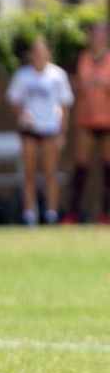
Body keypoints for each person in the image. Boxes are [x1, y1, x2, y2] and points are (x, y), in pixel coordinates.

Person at [7, 36, 74, 226]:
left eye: (42, 51)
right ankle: (29, 213)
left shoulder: (57, 75)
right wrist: (22, 115)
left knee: (50, 173)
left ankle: (51, 213)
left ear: (48, 53)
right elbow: (14, 100)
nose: (38, 55)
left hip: (50, 128)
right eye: (35, 52)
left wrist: (62, 132)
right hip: (30, 129)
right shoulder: (22, 75)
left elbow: (65, 104)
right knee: (28, 173)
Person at [68, 22, 110, 224]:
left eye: (102, 35)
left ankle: (106, 214)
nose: (97, 39)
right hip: (85, 119)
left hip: (107, 120)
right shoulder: (81, 58)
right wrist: (80, 85)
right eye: (94, 34)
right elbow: (71, 85)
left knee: (107, 168)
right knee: (80, 167)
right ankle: (74, 213)